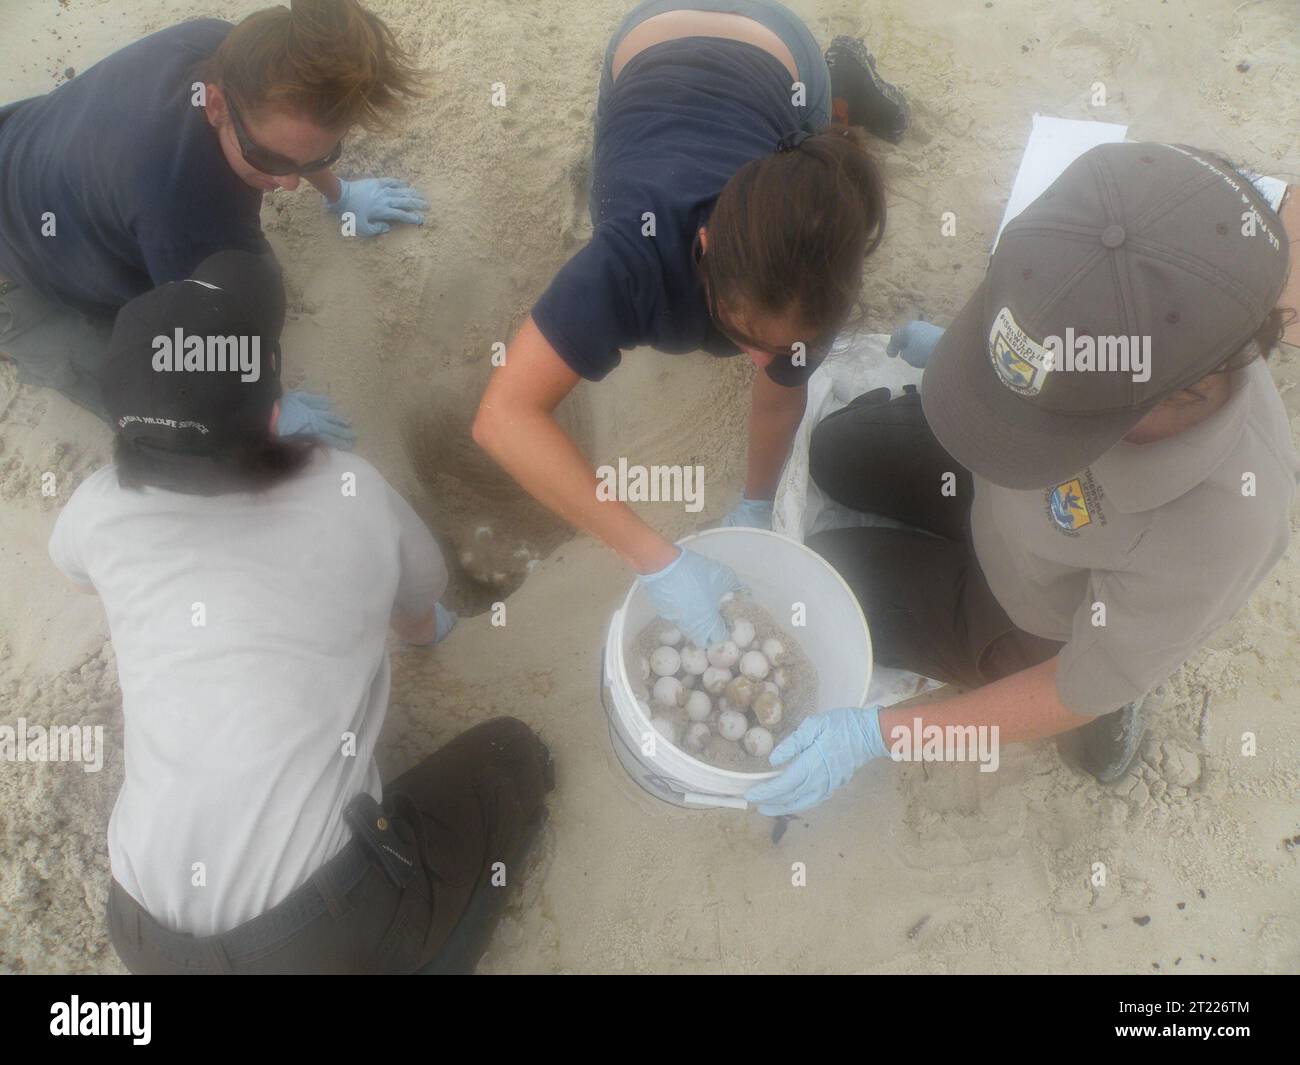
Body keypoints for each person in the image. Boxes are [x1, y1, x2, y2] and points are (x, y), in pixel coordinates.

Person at [746, 142, 1297, 814]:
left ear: (1182, 394)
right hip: (993, 488)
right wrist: (973, 358)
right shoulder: (1102, 248)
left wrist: (879, 734)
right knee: (836, 451)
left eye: (1065, 412)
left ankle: (1113, 709)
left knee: (823, 583)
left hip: (1028, 609)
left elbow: (1068, 685)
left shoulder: (1226, 518)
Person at [48, 251, 551, 973]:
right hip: (309, 941)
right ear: (278, 414)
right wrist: (431, 627)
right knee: (514, 756)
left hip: (139, 930)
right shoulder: (349, 490)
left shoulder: (98, 505)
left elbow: (76, 574)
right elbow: (419, 610)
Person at [473, 1, 904, 647]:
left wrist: (757, 502)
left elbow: (778, 398)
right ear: (702, 248)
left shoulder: (815, 271)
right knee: (612, 177)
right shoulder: (631, 254)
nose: (766, 366)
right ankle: (835, 83)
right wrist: (656, 557)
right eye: (746, 337)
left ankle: (840, 90)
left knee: (821, 142)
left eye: (785, 348)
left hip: (782, 54)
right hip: (652, 41)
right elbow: (501, 418)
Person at [0, 0, 425, 437]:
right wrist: (266, 405)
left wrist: (341, 193)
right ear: (217, 106)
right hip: (20, 255)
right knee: (167, 402)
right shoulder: (177, 205)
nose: (290, 183)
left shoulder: (230, 50)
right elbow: (197, 334)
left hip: (23, 138)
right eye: (267, 157)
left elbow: (294, 141)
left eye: (318, 156)